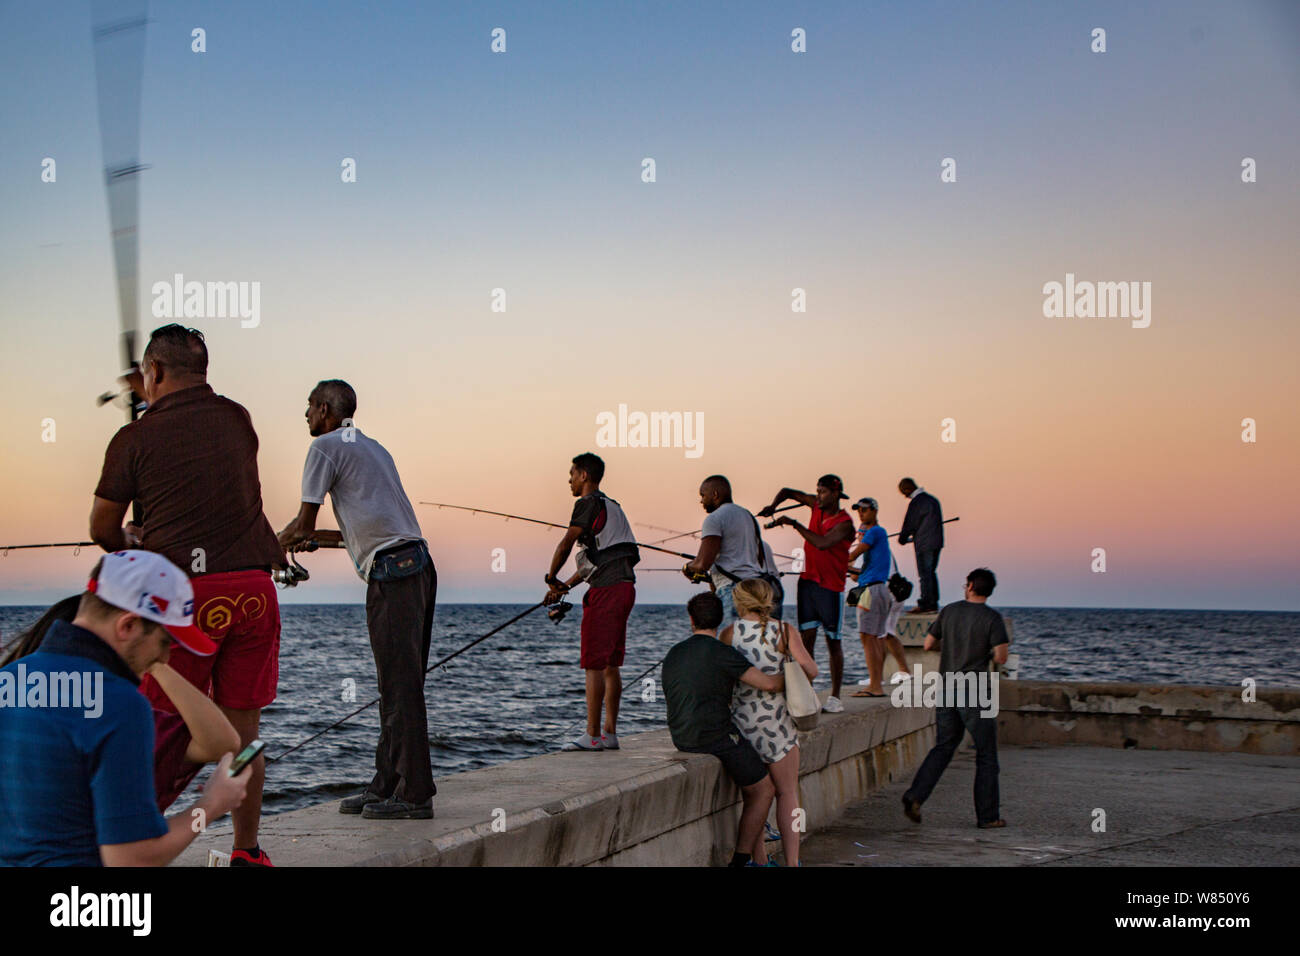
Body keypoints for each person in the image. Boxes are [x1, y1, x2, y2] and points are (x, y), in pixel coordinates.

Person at [90, 323, 284, 866]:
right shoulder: (238, 419)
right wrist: (151, 396)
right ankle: (247, 853)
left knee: (156, 729)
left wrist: (130, 540)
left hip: (185, 601)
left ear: (153, 372)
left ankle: (134, 847)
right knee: (243, 733)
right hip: (252, 593)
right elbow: (195, 443)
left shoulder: (135, 438)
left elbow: (102, 528)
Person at [0, 551, 250, 866]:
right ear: (128, 625)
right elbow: (132, 860)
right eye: (165, 642)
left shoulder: (8, 679)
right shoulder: (119, 704)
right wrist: (209, 807)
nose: (165, 658)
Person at [278, 380, 437, 820]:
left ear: (326, 409)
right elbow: (362, 529)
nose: (306, 415)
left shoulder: (324, 447)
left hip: (393, 573)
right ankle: (386, 784)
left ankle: (415, 795)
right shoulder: (372, 447)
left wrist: (272, 545)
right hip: (416, 565)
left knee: (399, 687)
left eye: (309, 407)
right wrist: (311, 541)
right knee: (397, 684)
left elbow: (303, 524)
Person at [0, 596, 245, 810]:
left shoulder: (17, 696)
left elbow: (221, 743)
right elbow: (132, 853)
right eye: (163, 644)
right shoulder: (119, 718)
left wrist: (149, 657)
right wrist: (208, 808)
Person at [661, 592, 786, 867]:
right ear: (720, 620)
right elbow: (768, 684)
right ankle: (740, 862)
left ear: (691, 619)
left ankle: (756, 859)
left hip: (681, 736)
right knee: (763, 789)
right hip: (714, 737)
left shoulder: (674, 652)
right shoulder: (722, 652)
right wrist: (792, 672)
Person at [543, 453, 639, 751]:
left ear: (584, 475)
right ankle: (609, 734)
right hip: (624, 589)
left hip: (606, 592)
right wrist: (565, 586)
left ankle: (592, 736)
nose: (569, 480)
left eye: (572, 473)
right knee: (611, 664)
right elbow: (598, 561)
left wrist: (550, 577)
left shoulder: (586, 503)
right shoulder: (614, 507)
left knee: (593, 665)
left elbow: (567, 542)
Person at [902, 568, 1010, 829]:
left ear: (971, 586)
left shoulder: (949, 611)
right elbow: (1001, 657)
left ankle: (915, 795)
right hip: (974, 691)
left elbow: (928, 644)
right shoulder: (993, 619)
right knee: (986, 754)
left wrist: (950, 646)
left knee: (943, 746)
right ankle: (988, 816)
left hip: (947, 688)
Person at [722, 579, 817, 866]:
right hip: (778, 725)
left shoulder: (728, 634)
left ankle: (760, 861)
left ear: (738, 602)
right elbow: (810, 669)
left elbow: (722, 679)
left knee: (755, 797)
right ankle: (792, 862)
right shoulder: (784, 631)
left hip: (743, 726)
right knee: (788, 795)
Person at [759, 475, 854, 713]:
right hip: (808, 583)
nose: (818, 496)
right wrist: (773, 506)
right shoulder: (815, 504)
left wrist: (794, 523)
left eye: (823, 492)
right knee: (805, 640)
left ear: (836, 493)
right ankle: (807, 695)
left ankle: (835, 697)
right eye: (817, 491)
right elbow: (787, 490)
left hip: (831, 587)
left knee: (833, 641)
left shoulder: (845, 524)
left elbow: (822, 543)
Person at [682, 475, 783, 627]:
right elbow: (758, 558)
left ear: (715, 494)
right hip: (757, 591)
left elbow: (703, 563)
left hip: (733, 593)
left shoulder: (714, 519)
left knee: (730, 646)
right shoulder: (748, 516)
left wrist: (688, 567)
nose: (701, 501)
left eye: (703, 495)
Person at [847, 498, 909, 698]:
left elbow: (851, 555)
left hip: (872, 591)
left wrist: (828, 554)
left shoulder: (876, 532)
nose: (861, 514)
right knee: (872, 636)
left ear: (874, 510)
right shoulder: (875, 547)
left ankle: (875, 685)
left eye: (864, 510)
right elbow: (857, 574)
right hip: (869, 588)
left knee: (869, 637)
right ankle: (876, 681)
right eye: (859, 511)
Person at [897, 478, 944, 612]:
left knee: (924, 574)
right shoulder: (933, 500)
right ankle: (933, 603)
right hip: (936, 542)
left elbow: (910, 523)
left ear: (907, 488)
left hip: (924, 544)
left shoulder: (917, 503)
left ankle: (925, 604)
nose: (905, 496)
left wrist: (902, 538)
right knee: (930, 573)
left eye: (903, 492)